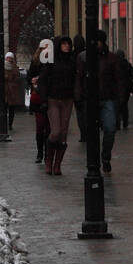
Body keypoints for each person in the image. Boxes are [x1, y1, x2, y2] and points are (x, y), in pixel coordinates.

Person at [79, 32, 129, 174]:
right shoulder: (84, 58)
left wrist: (120, 98)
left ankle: (105, 157)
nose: (96, 45)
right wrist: (80, 97)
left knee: (110, 129)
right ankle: (94, 160)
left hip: (108, 98)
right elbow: (80, 78)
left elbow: (119, 79)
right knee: (92, 132)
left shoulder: (112, 58)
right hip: (90, 99)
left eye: (98, 42)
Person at [40, 35, 79, 175]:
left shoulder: (72, 61)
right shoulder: (51, 61)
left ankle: (57, 165)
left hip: (67, 99)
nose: (66, 46)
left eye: (68, 44)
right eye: (63, 44)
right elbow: (43, 80)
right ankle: (49, 160)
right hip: (53, 99)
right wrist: (44, 100)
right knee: (55, 131)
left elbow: (76, 79)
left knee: (63, 134)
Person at [27, 45, 50, 163]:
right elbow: (29, 77)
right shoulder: (35, 63)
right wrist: (33, 80)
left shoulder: (51, 63)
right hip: (39, 98)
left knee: (48, 127)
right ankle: (40, 152)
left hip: (50, 98)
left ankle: (46, 153)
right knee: (40, 126)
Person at [0, 52, 25, 130]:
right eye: (8, 57)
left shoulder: (15, 68)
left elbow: (17, 78)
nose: (9, 59)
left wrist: (10, 78)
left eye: (10, 58)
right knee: (4, 108)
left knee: (11, 109)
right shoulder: (2, 67)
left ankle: (10, 124)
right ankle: (4, 124)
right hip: (4, 91)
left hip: (12, 92)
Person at [114, 48, 133, 129]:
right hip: (126, 88)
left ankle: (117, 124)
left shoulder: (115, 64)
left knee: (117, 106)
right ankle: (125, 122)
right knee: (124, 105)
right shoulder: (127, 64)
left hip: (117, 87)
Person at [72, 33, 87, 142]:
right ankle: (87, 132)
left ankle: (83, 133)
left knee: (80, 113)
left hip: (76, 88)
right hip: (87, 87)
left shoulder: (72, 55)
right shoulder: (87, 54)